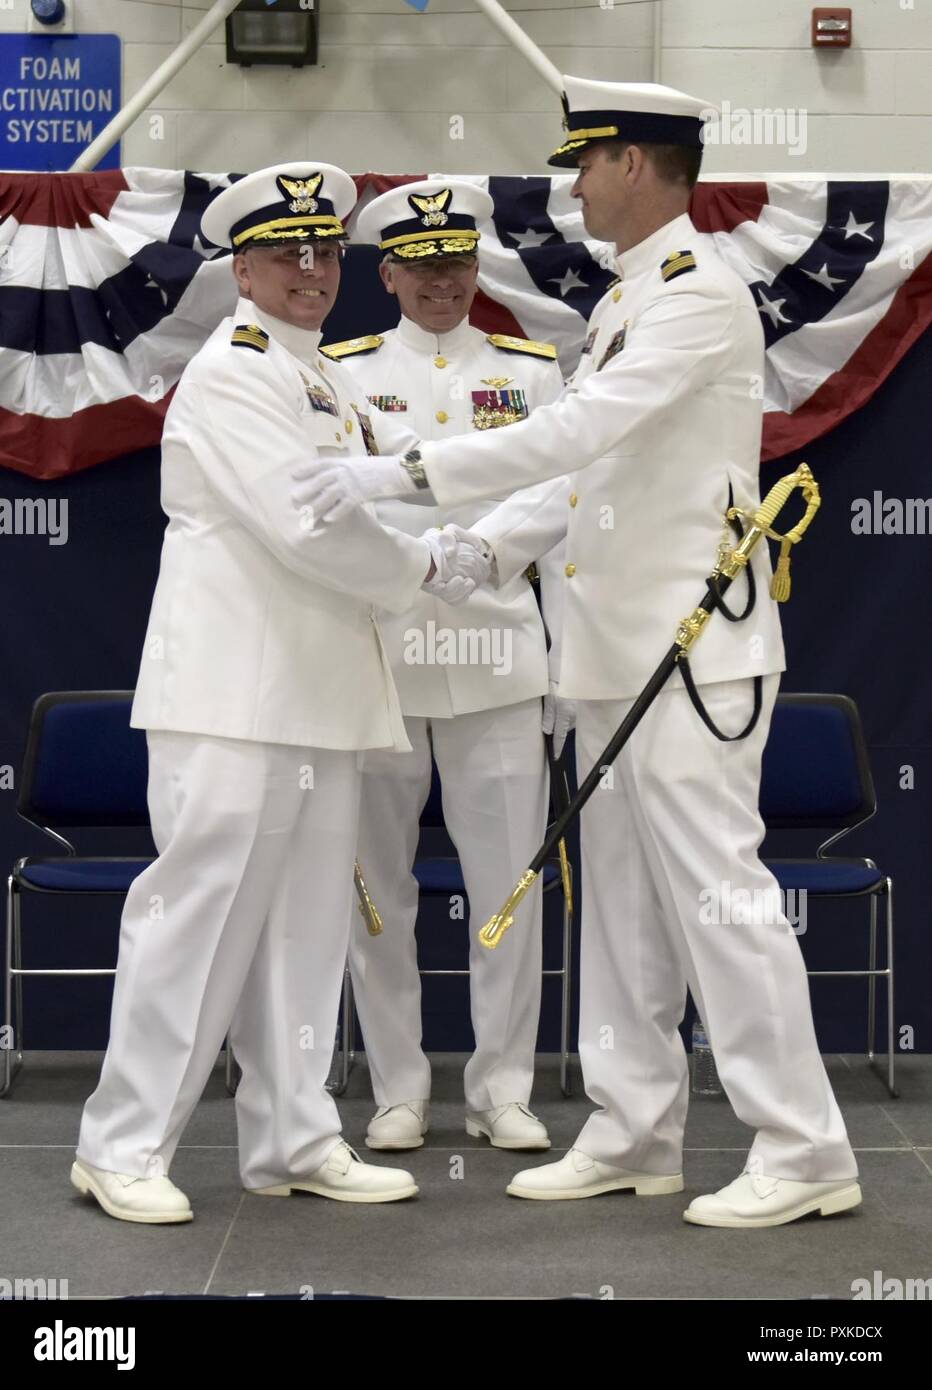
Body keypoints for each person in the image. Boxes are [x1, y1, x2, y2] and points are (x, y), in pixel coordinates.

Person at [301, 82, 863, 1229]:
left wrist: (406, 475)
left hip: (689, 652)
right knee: (622, 906)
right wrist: (473, 557)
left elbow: (579, 430)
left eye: (590, 162)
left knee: (721, 896)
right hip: (609, 658)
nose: (575, 183)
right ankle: (633, 1127)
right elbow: (579, 483)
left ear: (642, 165)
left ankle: (803, 1147)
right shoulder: (626, 301)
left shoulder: (695, 296)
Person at [71, 162, 491, 1223]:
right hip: (235, 698)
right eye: (285, 254)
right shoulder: (236, 369)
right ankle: (119, 1145)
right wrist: (427, 570)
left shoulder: (318, 373)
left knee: (307, 929)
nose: (310, 271)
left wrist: (457, 533)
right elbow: (309, 525)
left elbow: (390, 481)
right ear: (242, 267)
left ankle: (295, 1133)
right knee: (195, 921)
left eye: (324, 252)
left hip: (319, 697)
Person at [322, 181, 570, 1153]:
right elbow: (336, 498)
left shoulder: (531, 369)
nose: (441, 282)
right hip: (380, 658)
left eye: (457, 263)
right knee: (379, 888)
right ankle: (398, 1088)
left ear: (478, 267)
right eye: (421, 266)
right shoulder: (339, 373)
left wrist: (486, 552)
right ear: (387, 273)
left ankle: (503, 1087)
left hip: (499, 655)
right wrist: (415, 564)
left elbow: (561, 478)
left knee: (509, 880)